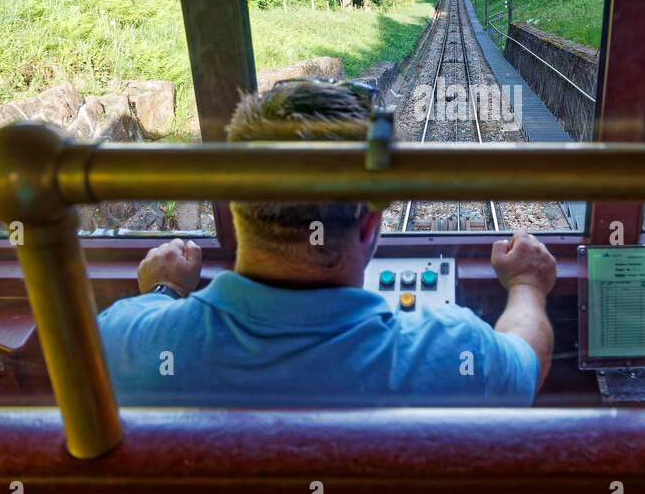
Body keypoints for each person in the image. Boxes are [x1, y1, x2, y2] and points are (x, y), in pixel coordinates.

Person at [97, 78, 555, 406]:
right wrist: (527, 286)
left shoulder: (124, 340)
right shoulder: (456, 351)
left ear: (237, 211)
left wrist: (164, 289)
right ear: (368, 225)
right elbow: (528, 363)